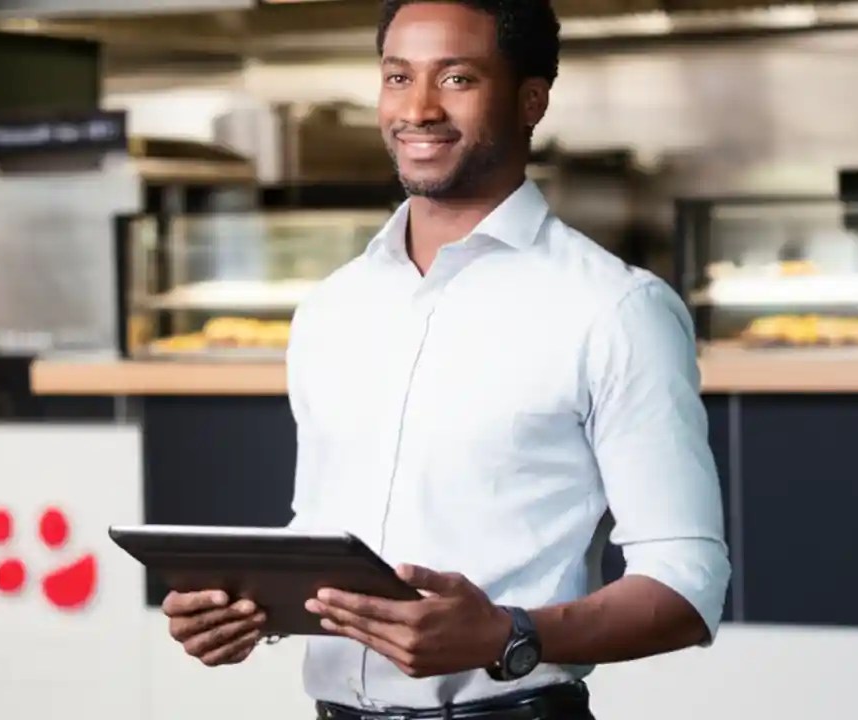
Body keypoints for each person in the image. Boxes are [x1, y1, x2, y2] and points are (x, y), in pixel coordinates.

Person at [160, 1, 731, 717]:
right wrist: (248, 606)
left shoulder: (616, 310)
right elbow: (325, 536)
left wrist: (507, 634)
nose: (418, 109)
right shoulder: (333, 308)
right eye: (398, 78)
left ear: (531, 99)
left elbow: (687, 583)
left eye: (456, 79)